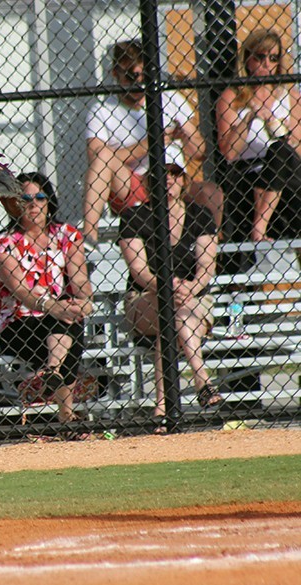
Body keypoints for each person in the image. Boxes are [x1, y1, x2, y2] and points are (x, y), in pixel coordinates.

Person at [83, 39, 222, 246]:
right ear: (115, 73)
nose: (138, 81)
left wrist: (187, 133)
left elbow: (199, 153)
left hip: (175, 177)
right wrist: (150, 143)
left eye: (143, 75)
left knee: (211, 192)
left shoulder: (169, 98)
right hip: (136, 183)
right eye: (130, 75)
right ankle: (89, 235)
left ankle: (213, 252)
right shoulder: (103, 109)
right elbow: (97, 157)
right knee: (104, 156)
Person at [118, 158, 222, 427]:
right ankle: (203, 380)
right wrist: (166, 286)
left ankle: (162, 409)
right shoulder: (134, 216)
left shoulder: (200, 214)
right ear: (149, 181)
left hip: (192, 298)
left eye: (175, 174)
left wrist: (189, 287)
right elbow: (139, 269)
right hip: (145, 299)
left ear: (184, 179)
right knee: (172, 312)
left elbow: (207, 267)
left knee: (173, 320)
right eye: (161, 174)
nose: (168, 179)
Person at [0, 173, 94, 432]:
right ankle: (66, 415)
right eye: (26, 198)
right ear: (15, 204)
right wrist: (52, 306)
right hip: (20, 322)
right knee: (66, 324)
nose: (34, 204)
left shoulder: (67, 234)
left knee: (68, 318)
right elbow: (20, 291)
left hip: (61, 316)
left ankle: (52, 369)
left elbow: (80, 280)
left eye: (40, 197)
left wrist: (85, 301)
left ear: (49, 202)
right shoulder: (5, 243)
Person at [215, 27, 301, 245]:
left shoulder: (289, 95)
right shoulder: (233, 97)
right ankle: (259, 226)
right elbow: (228, 152)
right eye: (260, 57)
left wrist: (288, 136)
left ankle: (259, 225)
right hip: (250, 173)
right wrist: (250, 117)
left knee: (280, 149)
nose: (267, 64)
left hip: (289, 174)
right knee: (277, 151)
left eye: (273, 58)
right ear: (247, 58)